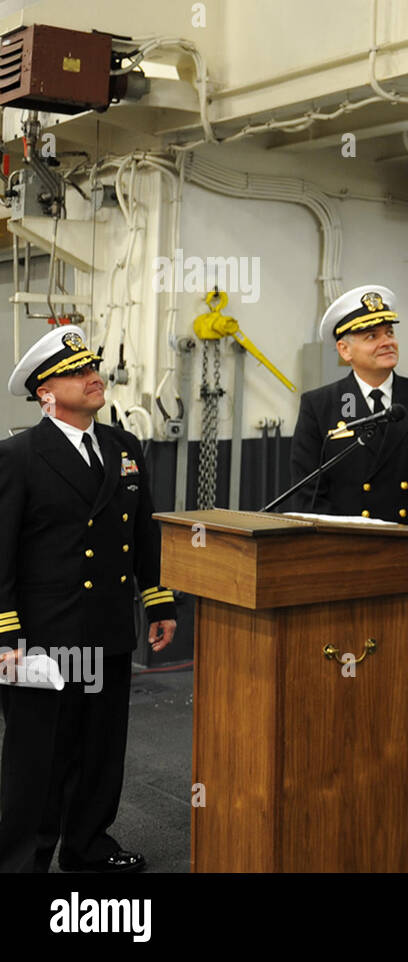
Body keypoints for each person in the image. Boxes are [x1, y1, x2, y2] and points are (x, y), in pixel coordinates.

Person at [288, 286, 408, 871]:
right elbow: (305, 493)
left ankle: (406, 829)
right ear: (344, 350)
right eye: (369, 334)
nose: (385, 340)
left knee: (407, 709)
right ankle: (340, 817)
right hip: (343, 585)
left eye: (388, 330)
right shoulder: (319, 406)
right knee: (342, 710)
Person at [0, 326, 176, 874]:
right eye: (76, 371)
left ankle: (88, 846)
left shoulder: (123, 448)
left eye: (92, 365)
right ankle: (21, 859)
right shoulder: (19, 455)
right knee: (39, 755)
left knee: (101, 747)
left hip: (105, 628)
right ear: (45, 392)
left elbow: (143, 530)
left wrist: (159, 600)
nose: (92, 375)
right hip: (42, 636)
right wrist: (5, 635)